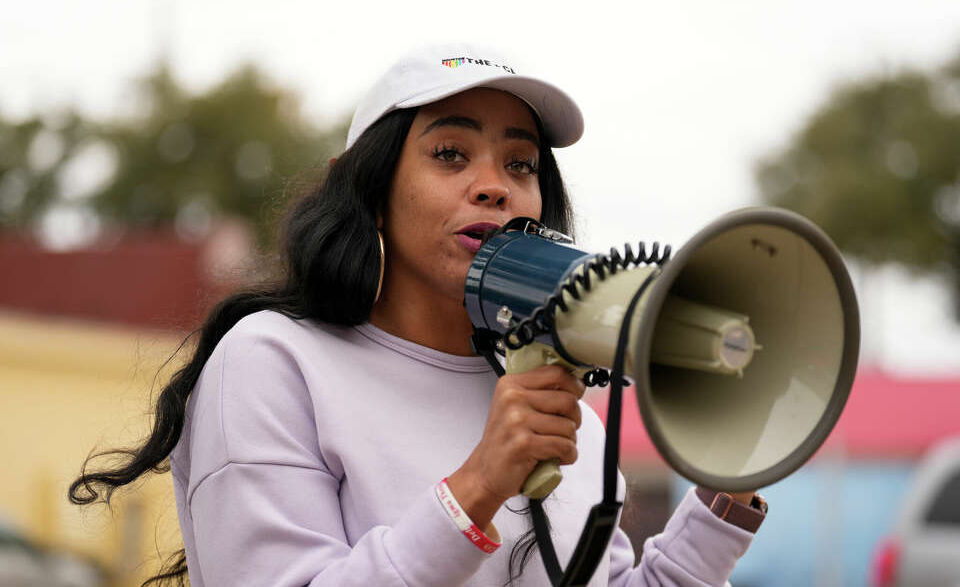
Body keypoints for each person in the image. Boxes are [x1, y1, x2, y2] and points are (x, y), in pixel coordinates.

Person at [70, 44, 766, 586]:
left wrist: (725, 497)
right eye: (450, 154)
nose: (494, 186)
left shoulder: (563, 414)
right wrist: (479, 485)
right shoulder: (275, 364)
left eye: (521, 164)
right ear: (369, 190)